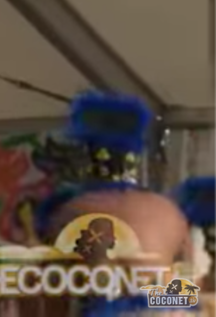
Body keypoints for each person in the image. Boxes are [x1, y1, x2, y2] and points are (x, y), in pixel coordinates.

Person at [34, 92, 193, 316]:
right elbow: (187, 293)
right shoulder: (169, 212)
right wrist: (145, 300)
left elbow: (51, 293)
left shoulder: (68, 211)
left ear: (86, 154)